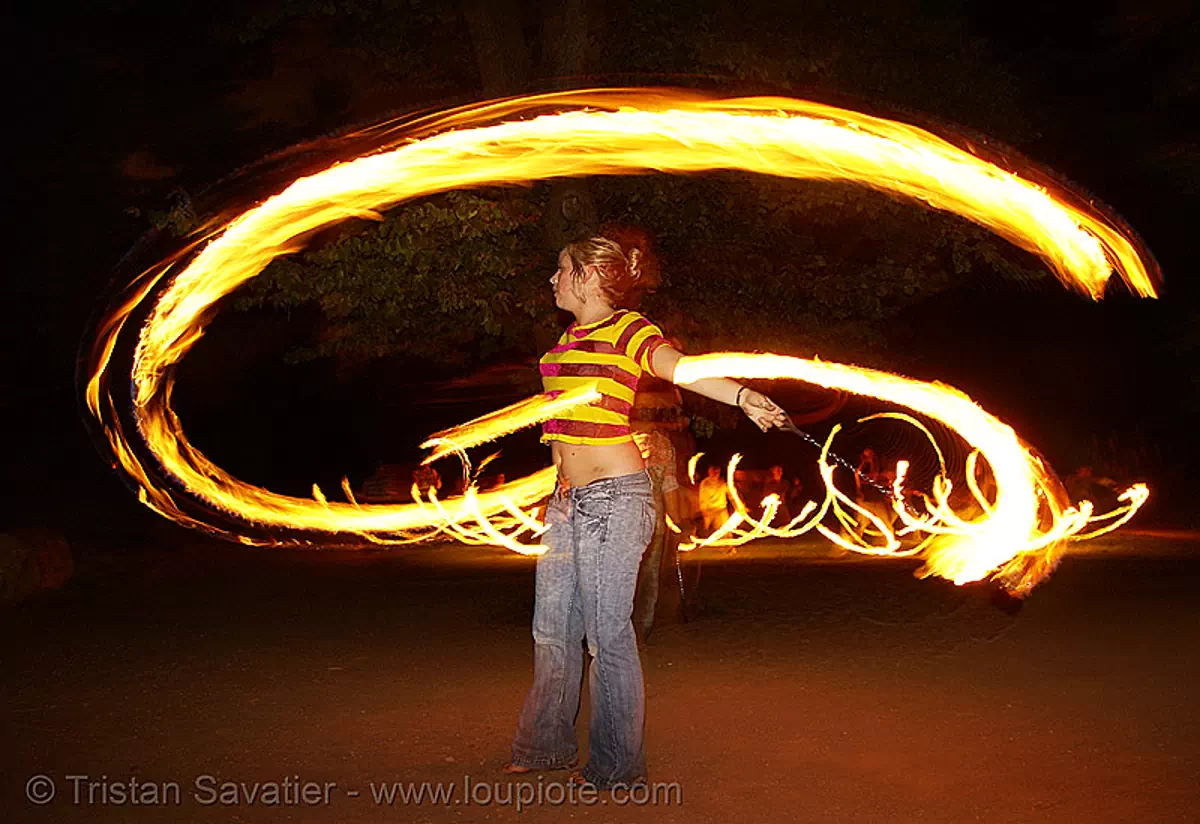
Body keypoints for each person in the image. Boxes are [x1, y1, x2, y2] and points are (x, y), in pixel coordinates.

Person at [504, 228, 789, 790]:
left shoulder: (630, 329)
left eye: (562, 269)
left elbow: (678, 367)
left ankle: (616, 764)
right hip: (565, 503)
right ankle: (545, 746)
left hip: (614, 498)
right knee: (551, 629)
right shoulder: (564, 342)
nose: (553, 278)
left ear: (588, 277)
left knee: (606, 635)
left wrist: (742, 395)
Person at [698, 464, 732, 537]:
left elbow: (730, 493)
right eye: (713, 472)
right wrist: (704, 510)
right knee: (705, 531)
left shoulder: (722, 482)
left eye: (717, 472)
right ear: (709, 472)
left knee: (726, 531)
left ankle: (729, 544)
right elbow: (702, 498)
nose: (715, 474)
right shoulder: (705, 483)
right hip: (709, 510)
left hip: (721, 510)